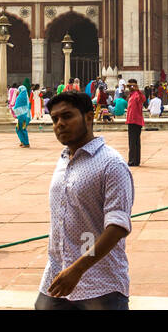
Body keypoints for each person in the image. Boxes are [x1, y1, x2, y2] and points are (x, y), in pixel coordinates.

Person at [38, 90, 134, 310]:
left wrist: (78, 269)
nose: (59, 124)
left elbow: (117, 227)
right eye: (54, 119)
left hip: (100, 285)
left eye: (67, 116)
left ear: (89, 117)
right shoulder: (64, 160)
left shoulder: (111, 164)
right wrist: (67, 271)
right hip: (57, 278)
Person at [125, 80, 144, 167]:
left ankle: (132, 160)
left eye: (131, 86)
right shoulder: (131, 95)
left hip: (135, 121)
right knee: (134, 141)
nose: (130, 88)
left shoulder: (136, 95)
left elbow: (142, 99)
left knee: (133, 141)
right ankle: (135, 160)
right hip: (132, 120)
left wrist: (138, 90)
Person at [13, 80, 32, 148]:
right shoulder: (26, 97)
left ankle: (26, 143)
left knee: (21, 129)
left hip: (22, 116)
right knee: (20, 128)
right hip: (26, 116)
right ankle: (23, 141)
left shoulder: (20, 97)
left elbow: (16, 107)